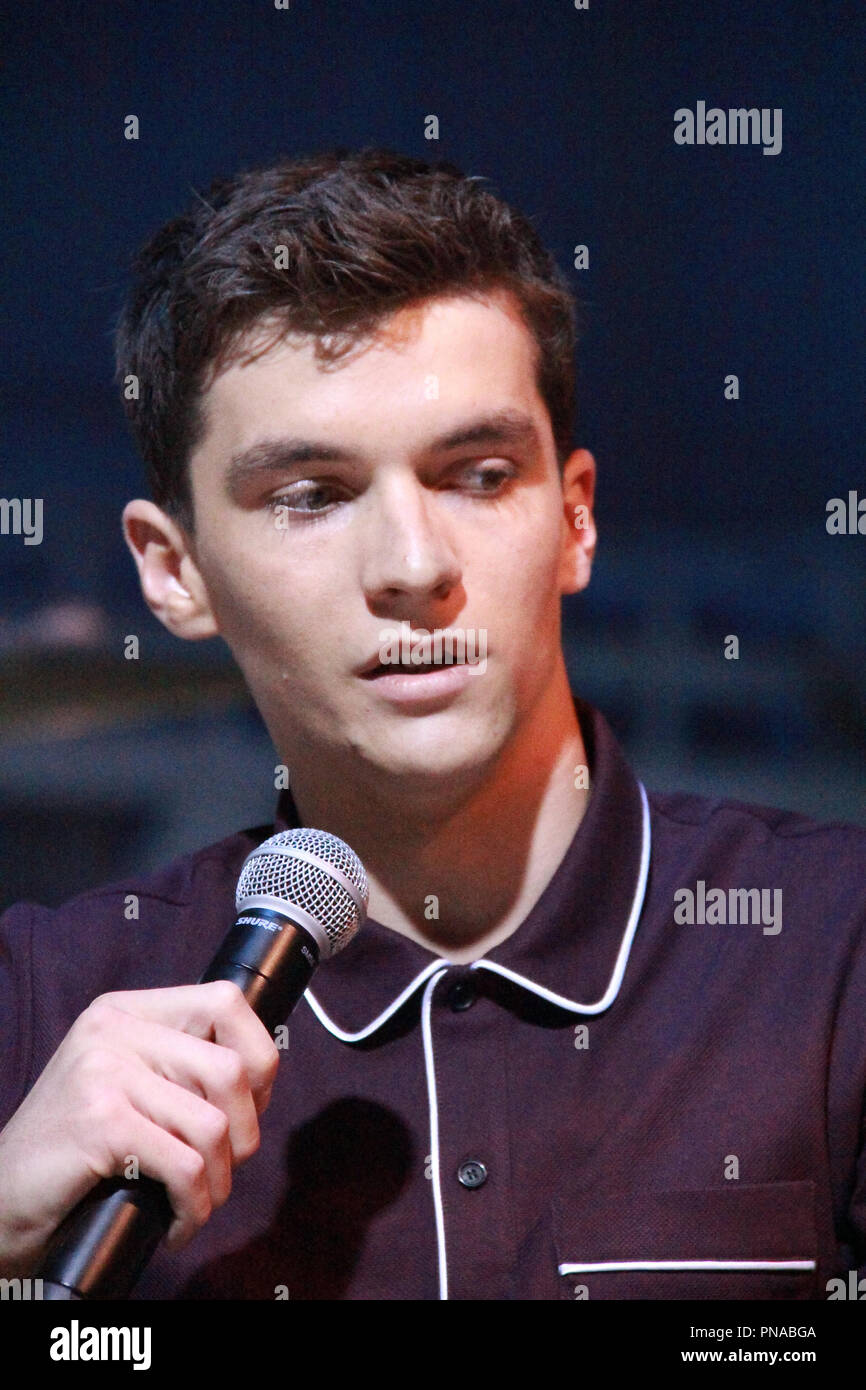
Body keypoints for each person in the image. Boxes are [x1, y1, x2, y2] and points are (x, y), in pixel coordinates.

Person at [0, 149, 863, 1301]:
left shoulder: (832, 953)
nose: (412, 567)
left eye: (478, 473)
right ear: (174, 571)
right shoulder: (38, 1007)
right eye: (309, 495)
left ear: (574, 519)